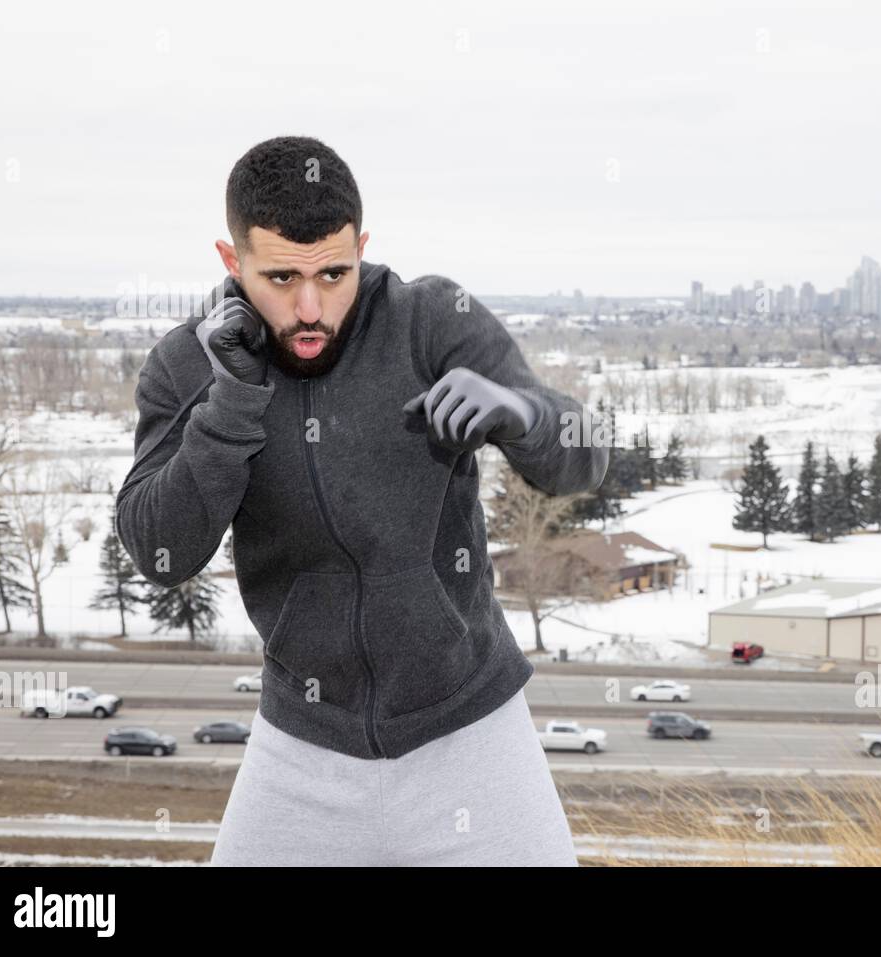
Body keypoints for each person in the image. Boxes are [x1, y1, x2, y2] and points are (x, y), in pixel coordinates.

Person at [114, 135, 610, 866]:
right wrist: (231, 402)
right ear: (231, 261)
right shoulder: (189, 364)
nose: (310, 307)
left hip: (471, 734)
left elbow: (588, 455)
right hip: (301, 746)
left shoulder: (431, 320)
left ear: (363, 246)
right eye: (281, 277)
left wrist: (520, 412)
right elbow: (158, 549)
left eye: (335, 274)